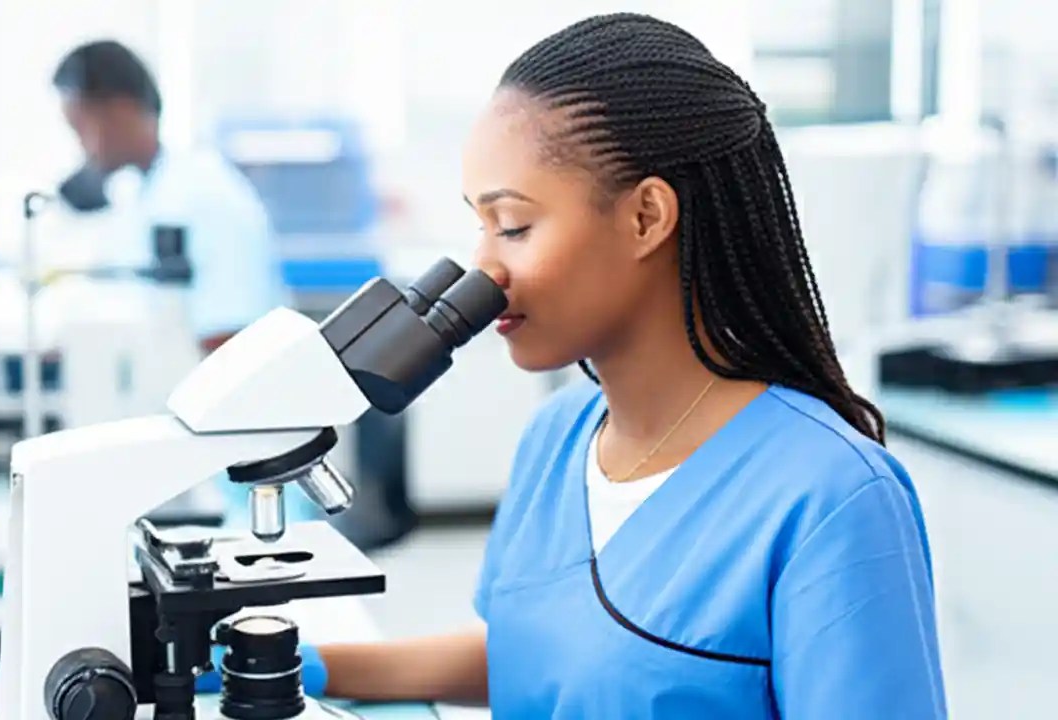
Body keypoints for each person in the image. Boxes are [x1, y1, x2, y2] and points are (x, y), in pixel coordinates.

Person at [201, 13, 948, 718]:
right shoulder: (557, 441)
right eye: (480, 224)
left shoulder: (832, 495)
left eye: (515, 225)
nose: (482, 269)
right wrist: (302, 665)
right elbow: (539, 655)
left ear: (646, 217)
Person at [50, 40, 289, 352]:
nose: (81, 147)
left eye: (80, 127)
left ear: (120, 111)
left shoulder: (205, 193)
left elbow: (232, 336)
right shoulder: (142, 194)